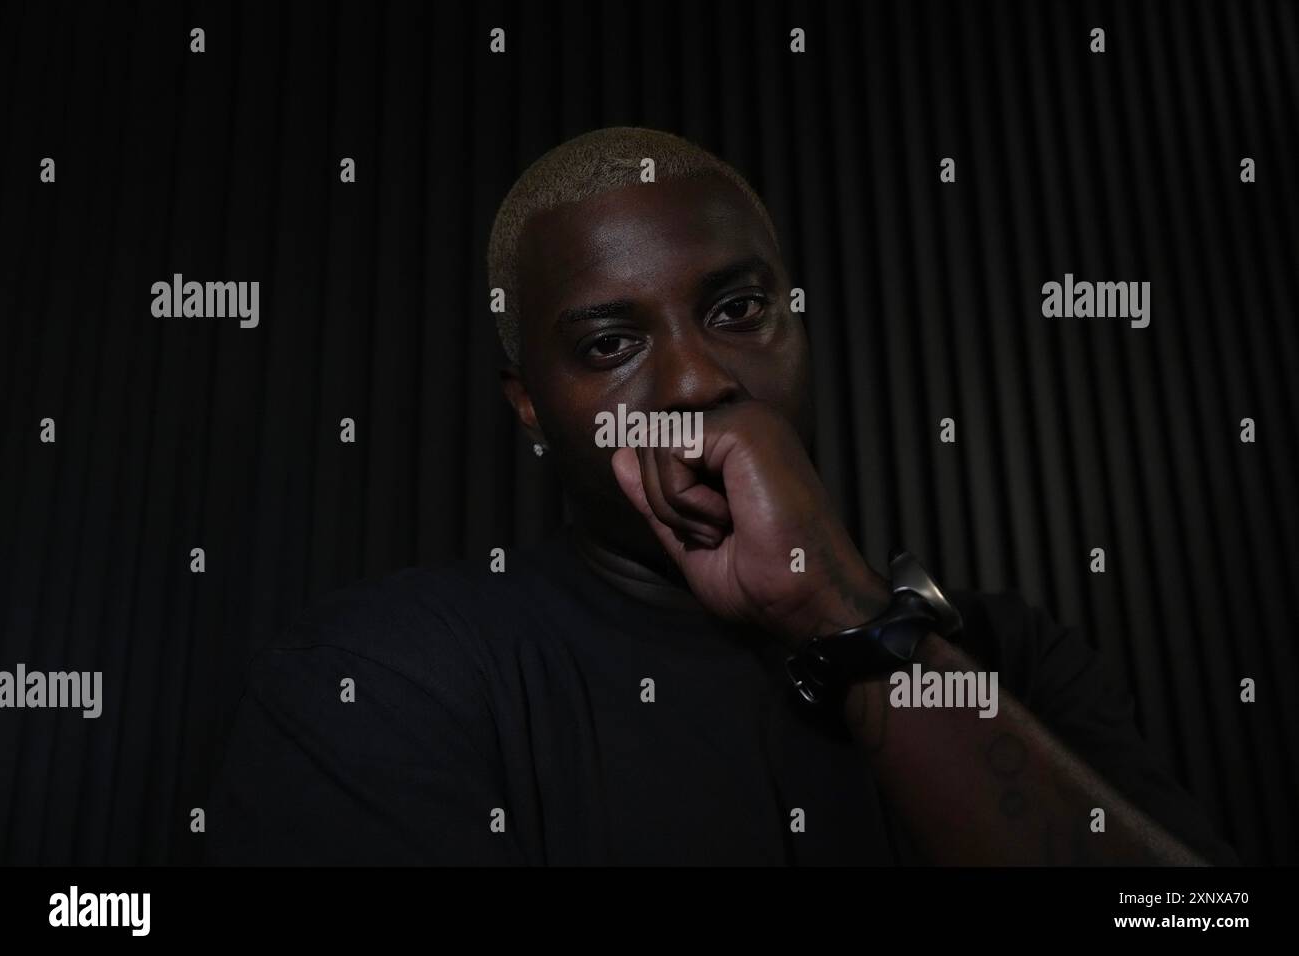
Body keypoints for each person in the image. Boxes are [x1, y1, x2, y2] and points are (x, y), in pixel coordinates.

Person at [205, 126, 1238, 866]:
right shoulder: (386, 669)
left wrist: (842, 615)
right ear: (530, 406)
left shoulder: (1007, 656)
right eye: (610, 343)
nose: (698, 379)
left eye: (739, 308)